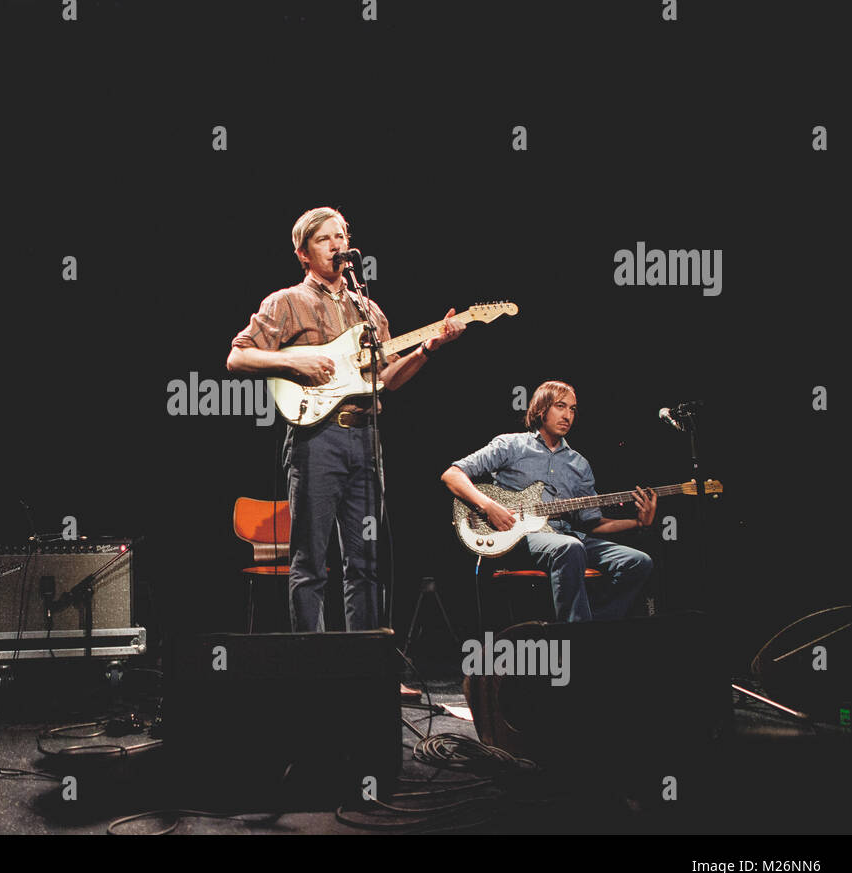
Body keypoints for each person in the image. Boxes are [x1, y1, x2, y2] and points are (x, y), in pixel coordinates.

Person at [228, 206, 464, 632]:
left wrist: (428, 348)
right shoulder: (286, 302)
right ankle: (314, 668)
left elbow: (387, 380)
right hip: (317, 439)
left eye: (341, 236)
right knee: (311, 561)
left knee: (367, 561)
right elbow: (238, 356)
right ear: (303, 253)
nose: (337, 245)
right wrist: (294, 365)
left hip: (366, 439)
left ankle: (367, 666)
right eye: (324, 239)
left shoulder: (369, 311)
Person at [441, 380, 655, 622]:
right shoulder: (511, 445)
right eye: (560, 406)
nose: (568, 415)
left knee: (638, 562)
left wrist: (638, 523)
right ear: (541, 409)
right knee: (569, 547)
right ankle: (578, 637)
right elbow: (452, 475)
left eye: (573, 409)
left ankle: (589, 626)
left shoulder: (579, 465)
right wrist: (489, 506)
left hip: (569, 538)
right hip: (519, 537)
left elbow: (593, 524)